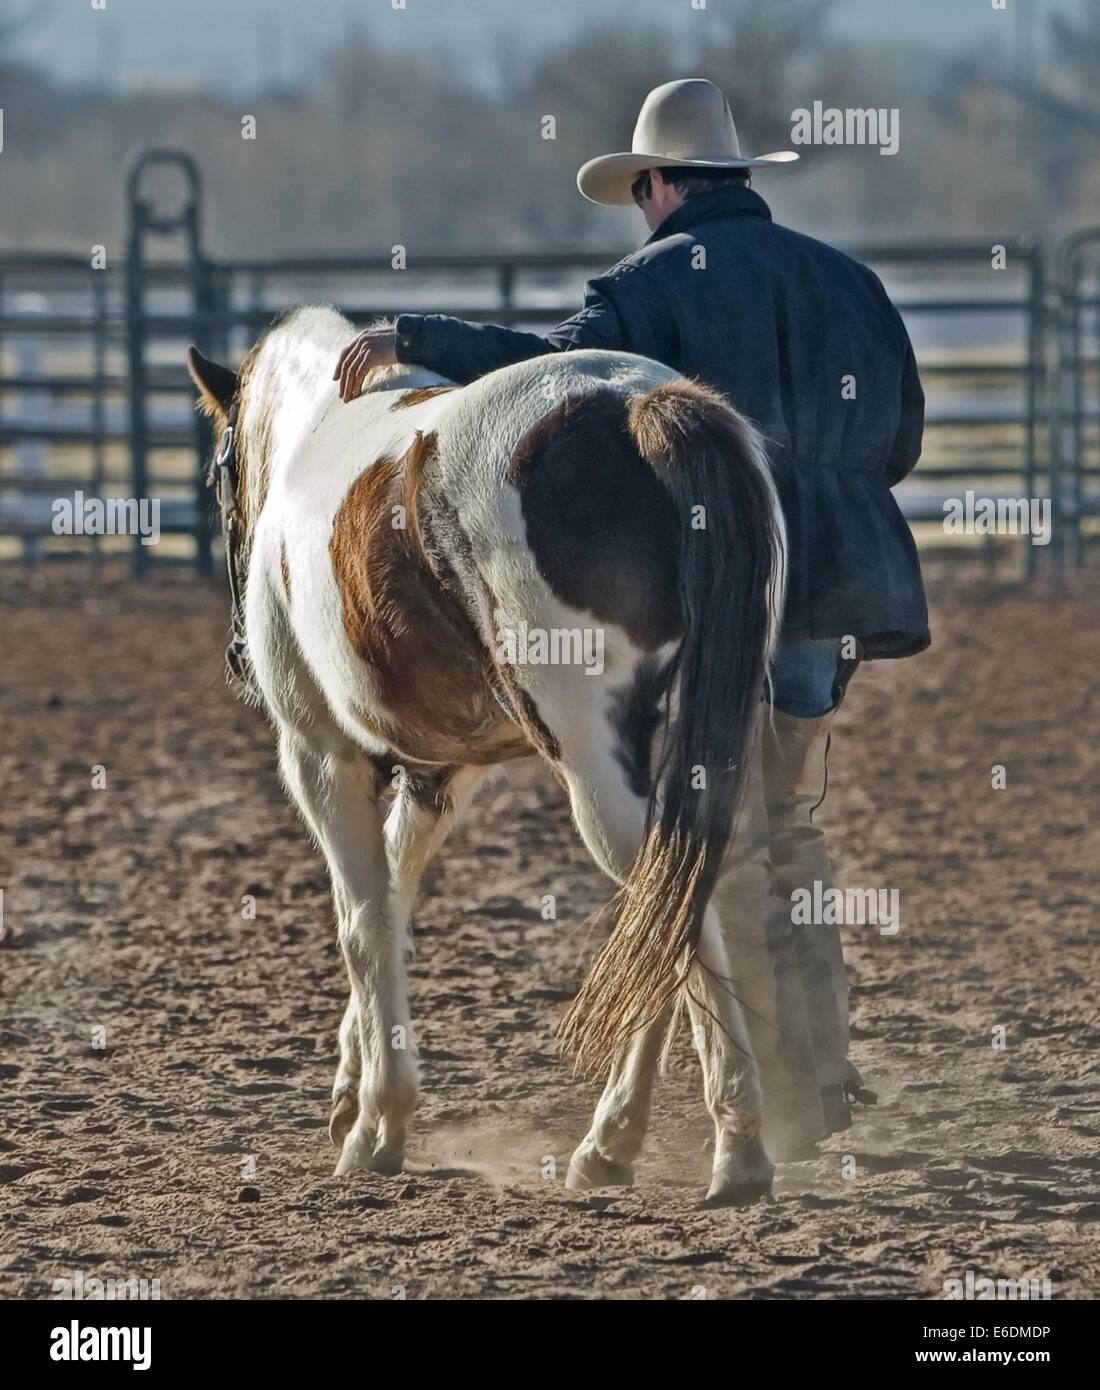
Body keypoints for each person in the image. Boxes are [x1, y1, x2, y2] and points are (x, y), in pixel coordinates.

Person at [334, 78, 929, 1157]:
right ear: (736, 180)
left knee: (722, 831)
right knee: (788, 827)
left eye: (637, 190)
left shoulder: (649, 287)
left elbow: (542, 379)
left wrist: (416, 336)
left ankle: (769, 1100)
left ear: (657, 184)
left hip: (706, 584)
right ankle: (816, 1072)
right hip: (831, 594)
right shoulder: (847, 283)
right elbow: (900, 441)